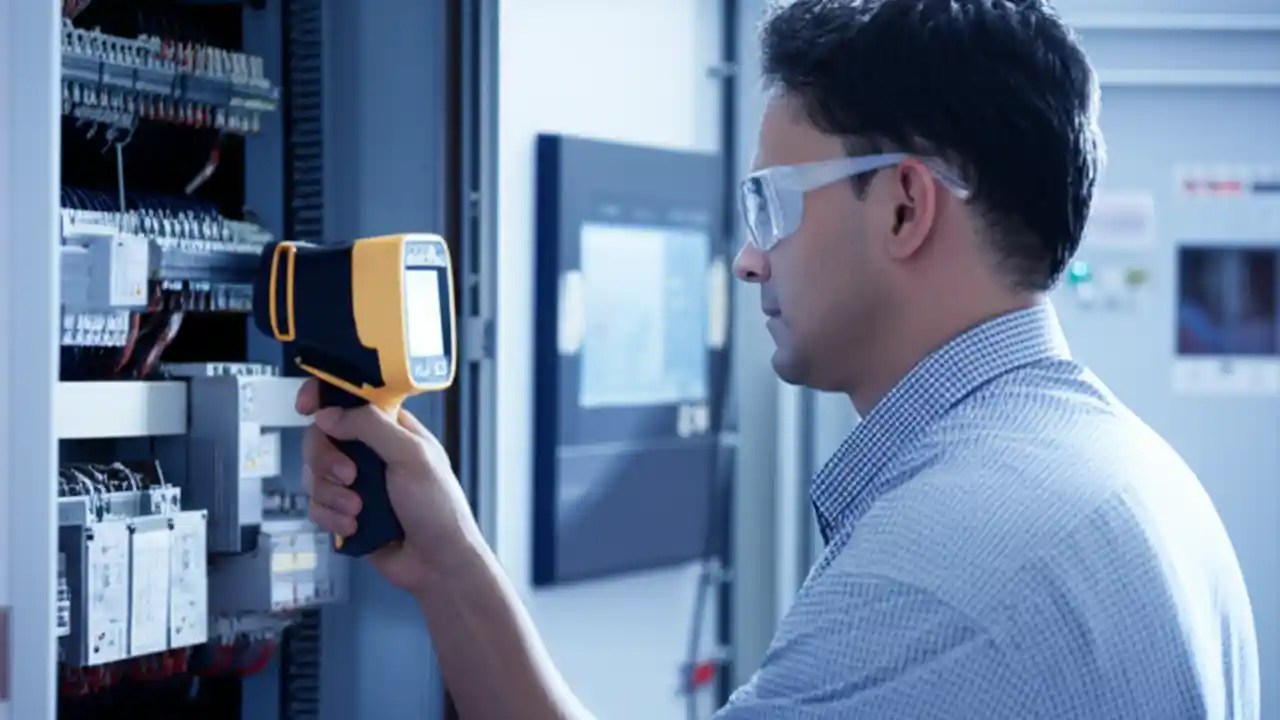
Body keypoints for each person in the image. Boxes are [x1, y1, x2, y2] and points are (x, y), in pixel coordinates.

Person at [300, 0, 1260, 717]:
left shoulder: (941, 573)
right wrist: (450, 570)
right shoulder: (1140, 478)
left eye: (772, 204)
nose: (749, 256)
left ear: (903, 206)